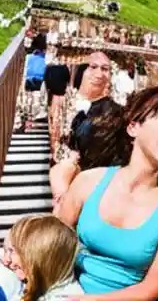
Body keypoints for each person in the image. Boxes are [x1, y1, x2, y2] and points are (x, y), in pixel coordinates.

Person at [56, 86, 158, 300]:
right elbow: (51, 242)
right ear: (133, 127)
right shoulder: (89, 182)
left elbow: (151, 289)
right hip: (66, 289)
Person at [50, 52, 114, 203]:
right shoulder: (65, 101)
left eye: (105, 69)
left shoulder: (113, 110)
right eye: (93, 67)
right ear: (83, 70)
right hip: (67, 172)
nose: (99, 73)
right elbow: (57, 137)